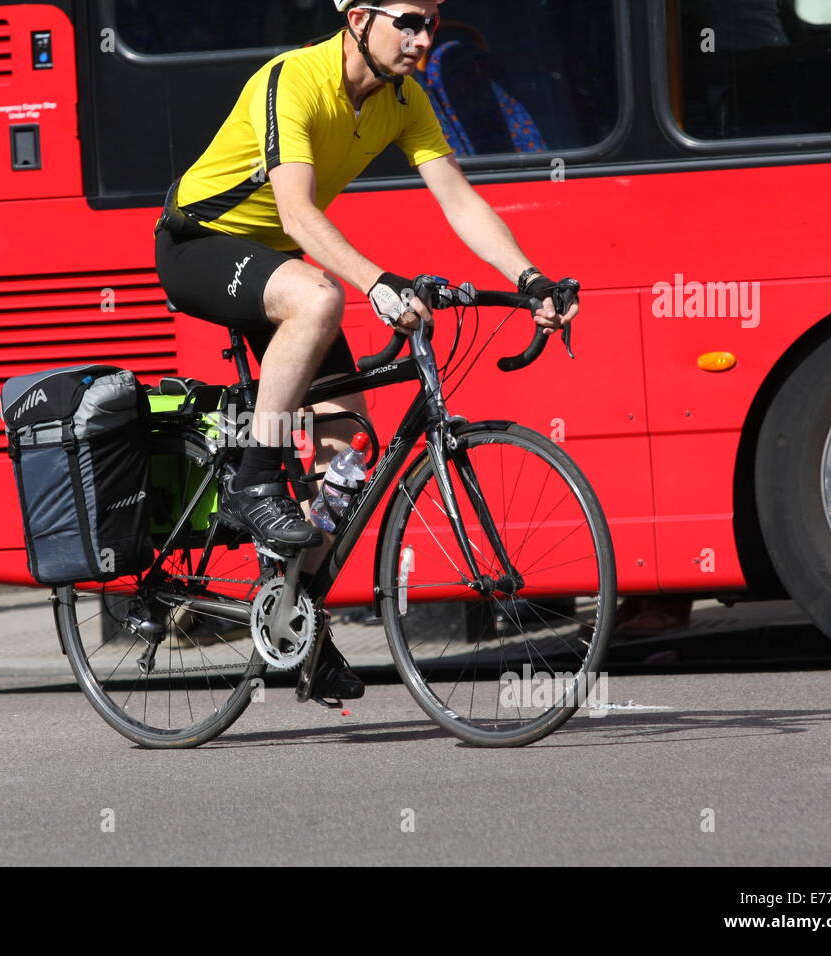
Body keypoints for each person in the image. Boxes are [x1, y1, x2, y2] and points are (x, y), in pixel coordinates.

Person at [154, 0, 579, 700]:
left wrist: (527, 277)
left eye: (432, 24)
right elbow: (296, 212)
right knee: (321, 297)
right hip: (200, 243)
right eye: (408, 20)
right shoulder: (293, 79)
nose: (422, 38)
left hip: (275, 263)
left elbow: (460, 201)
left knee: (346, 457)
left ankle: (297, 623)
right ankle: (256, 479)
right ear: (357, 17)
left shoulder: (403, 100)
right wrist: (376, 283)